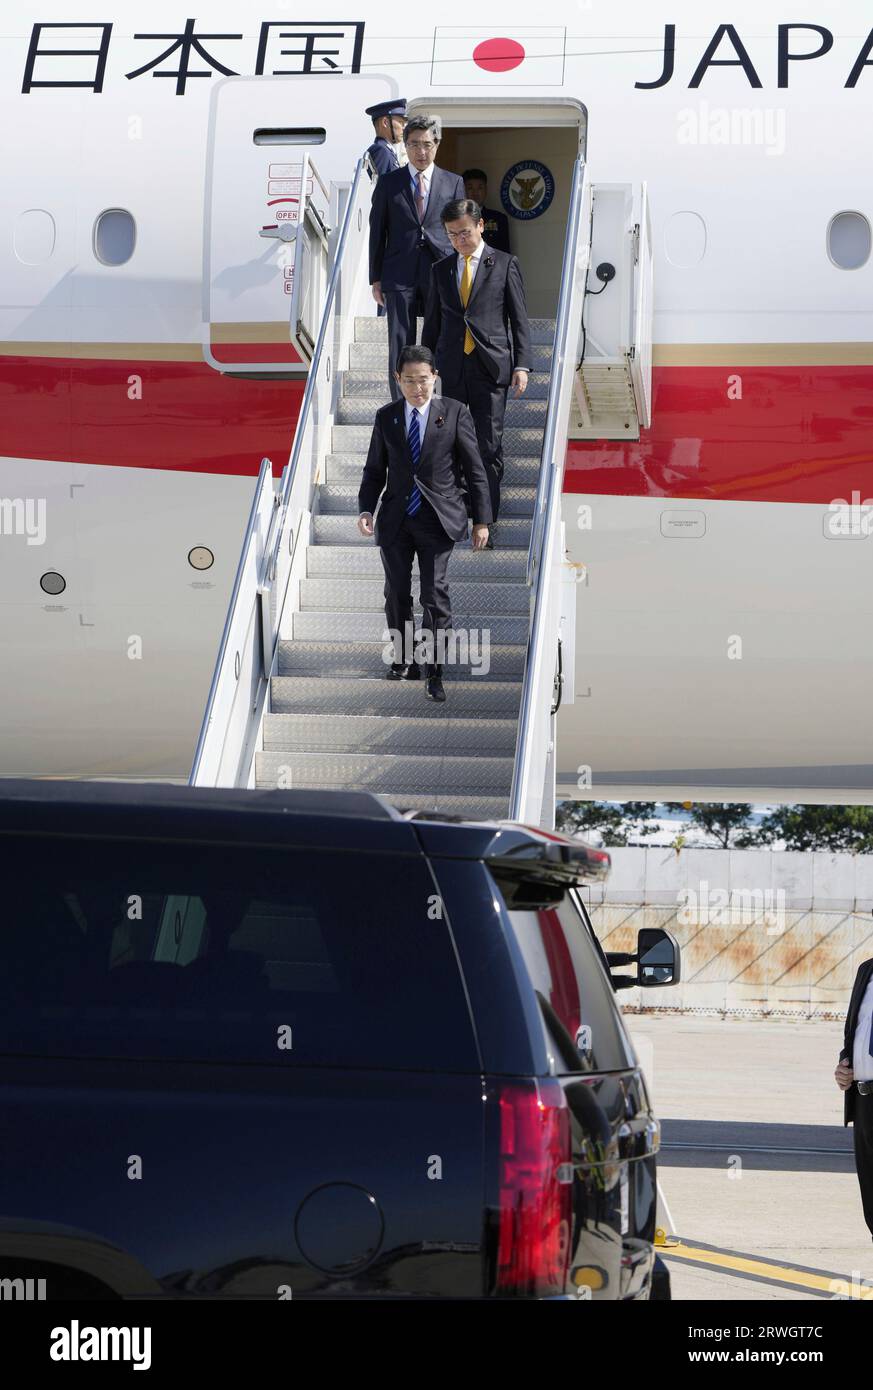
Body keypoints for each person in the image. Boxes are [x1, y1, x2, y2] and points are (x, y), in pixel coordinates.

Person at [356, 346, 491, 702]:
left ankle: (434, 669)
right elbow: (374, 470)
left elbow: (475, 469)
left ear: (435, 378)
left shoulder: (455, 412)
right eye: (410, 381)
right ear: (397, 379)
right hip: (396, 520)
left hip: (438, 519)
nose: (418, 388)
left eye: (424, 380)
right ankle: (404, 660)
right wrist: (366, 509)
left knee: (434, 596)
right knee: (396, 593)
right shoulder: (387, 417)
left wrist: (482, 520)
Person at [421, 197, 532, 543]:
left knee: (487, 447)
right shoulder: (440, 269)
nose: (459, 241)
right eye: (452, 235)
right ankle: (455, 517)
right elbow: (433, 324)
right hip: (452, 368)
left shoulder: (505, 264)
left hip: (490, 368)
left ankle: (485, 520)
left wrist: (522, 365)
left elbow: (519, 320)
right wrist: (426, 368)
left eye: (465, 233)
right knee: (450, 445)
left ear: (480, 226)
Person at [368, 114, 465, 401]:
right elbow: (378, 231)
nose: (421, 152)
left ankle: (433, 402)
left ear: (437, 145)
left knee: (436, 338)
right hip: (399, 271)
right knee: (400, 342)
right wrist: (375, 278)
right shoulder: (389, 183)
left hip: (440, 268)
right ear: (405, 146)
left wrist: (463, 269)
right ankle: (400, 405)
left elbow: (461, 228)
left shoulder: (453, 182)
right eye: (413, 145)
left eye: (427, 144)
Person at [835, 943, 873, 1239]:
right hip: (863, 1099)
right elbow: (855, 1032)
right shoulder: (866, 971)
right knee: (870, 1196)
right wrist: (845, 1064)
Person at [462, 168, 511, 254]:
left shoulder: (499, 219)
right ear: (463, 190)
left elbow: (505, 253)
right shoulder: (455, 220)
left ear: (486, 190)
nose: (475, 192)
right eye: (470, 188)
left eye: (480, 188)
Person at [365, 98, 407, 177]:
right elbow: (378, 183)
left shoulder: (386, 150)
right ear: (385, 122)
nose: (403, 128)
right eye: (401, 122)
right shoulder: (381, 150)